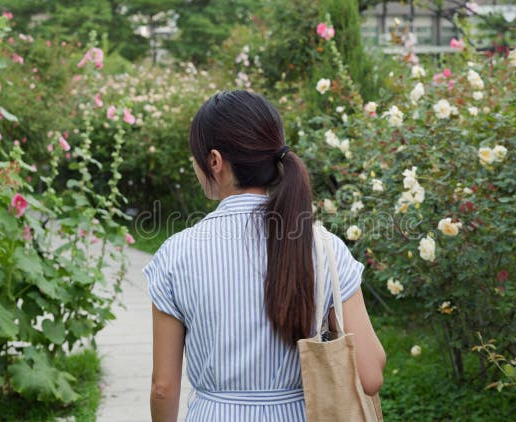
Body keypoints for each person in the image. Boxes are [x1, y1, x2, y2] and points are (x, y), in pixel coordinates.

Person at [143, 90, 386, 421]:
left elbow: (163, 388)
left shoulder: (175, 254)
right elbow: (370, 374)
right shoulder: (322, 246)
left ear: (214, 161)